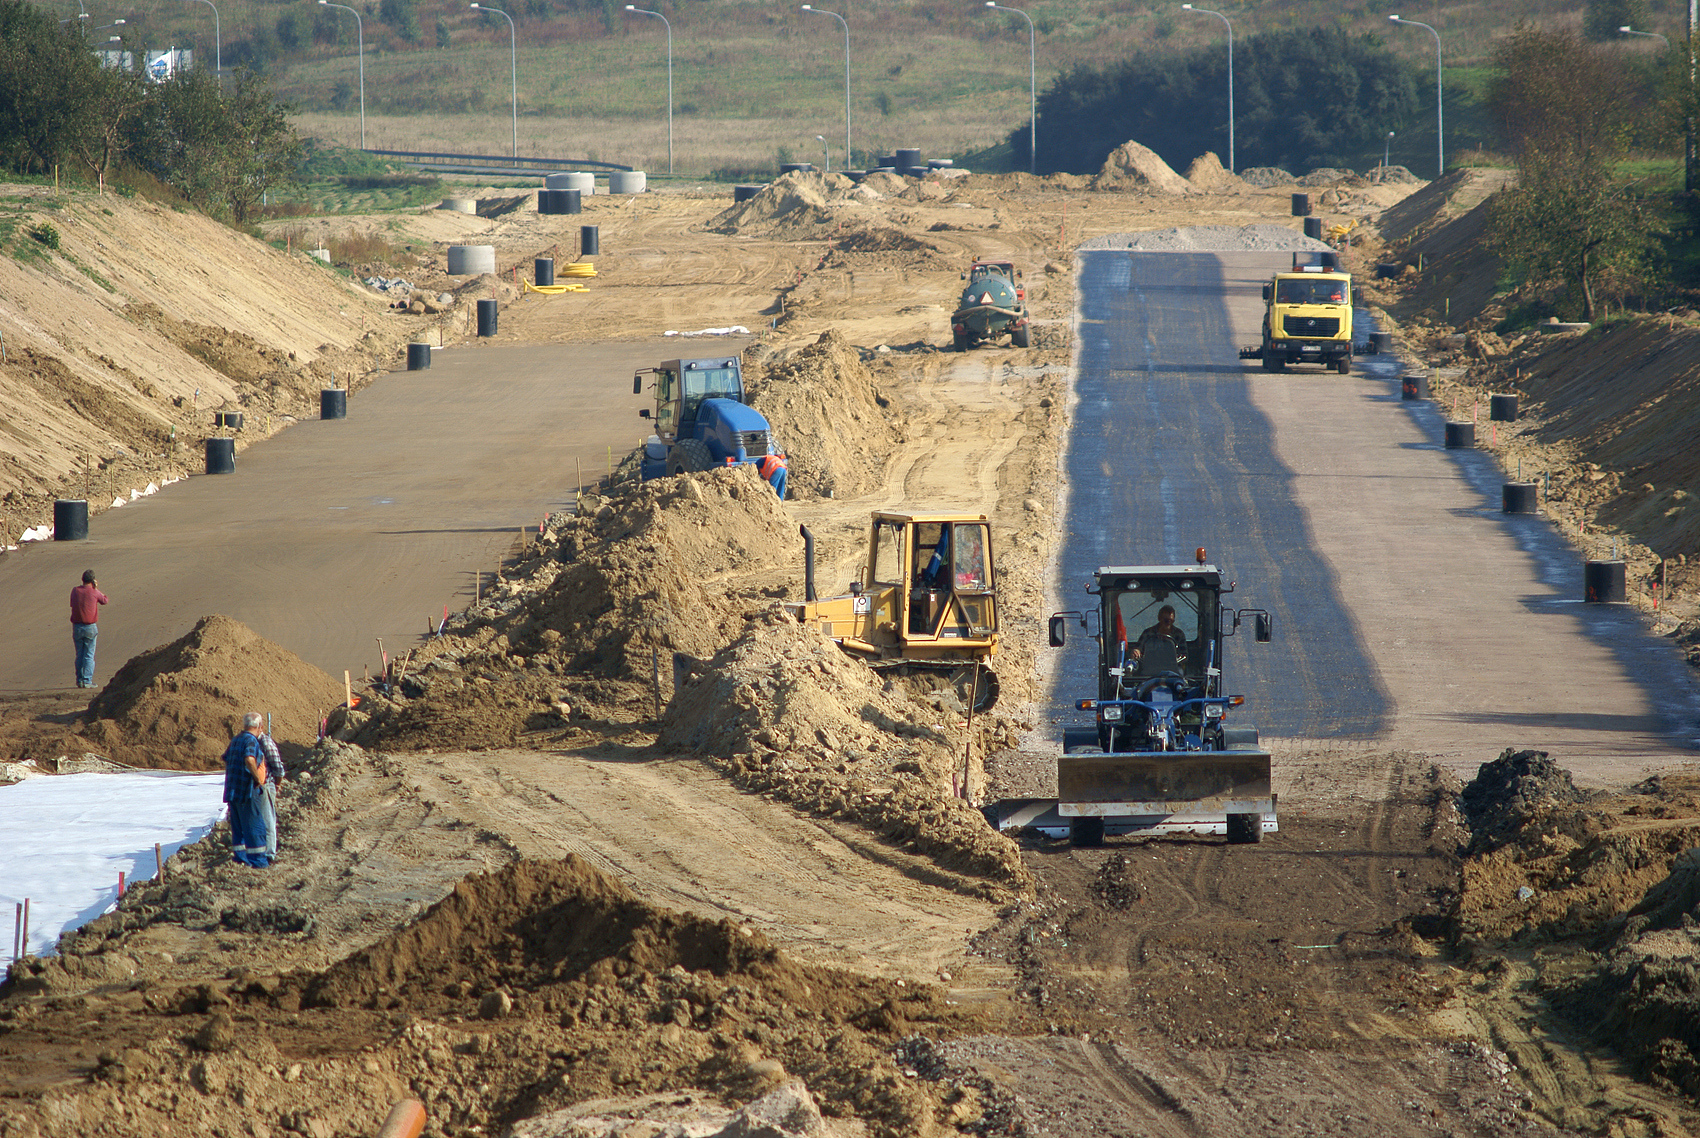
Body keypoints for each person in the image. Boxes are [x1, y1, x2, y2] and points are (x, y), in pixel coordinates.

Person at [221, 712, 271, 868]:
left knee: (238, 827)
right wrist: (257, 779)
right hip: (247, 791)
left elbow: (226, 758)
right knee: (254, 826)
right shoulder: (251, 740)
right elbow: (249, 759)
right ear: (259, 726)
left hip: (233, 791)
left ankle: (241, 858)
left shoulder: (236, 740)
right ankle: (258, 861)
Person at [69, 570, 108, 689]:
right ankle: (86, 680)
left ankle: (80, 680)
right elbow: (104, 600)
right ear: (92, 581)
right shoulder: (94, 592)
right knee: (89, 655)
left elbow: (72, 604)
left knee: (80, 654)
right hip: (90, 627)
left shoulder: (75, 591)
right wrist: (95, 588)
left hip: (77, 626)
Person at [258, 726, 285, 861]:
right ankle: (265, 852)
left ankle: (264, 852)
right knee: (266, 819)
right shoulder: (260, 741)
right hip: (261, 784)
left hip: (259, 785)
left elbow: (277, 766)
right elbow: (277, 767)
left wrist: (277, 783)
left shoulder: (263, 742)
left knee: (263, 819)